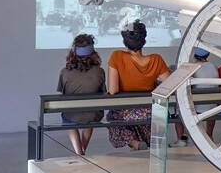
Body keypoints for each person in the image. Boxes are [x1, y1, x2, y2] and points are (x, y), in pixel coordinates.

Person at [105, 21, 169, 151]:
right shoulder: (156, 59)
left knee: (112, 117)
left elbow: (113, 90)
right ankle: (144, 144)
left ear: (124, 42)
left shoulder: (117, 56)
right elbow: (168, 83)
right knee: (145, 117)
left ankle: (134, 142)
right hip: (150, 111)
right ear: (144, 42)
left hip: (125, 112)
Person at [57, 34, 105, 155]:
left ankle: (79, 152)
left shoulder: (64, 72)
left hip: (72, 114)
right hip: (93, 115)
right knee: (91, 115)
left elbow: (62, 92)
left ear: (73, 51)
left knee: (68, 118)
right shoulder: (99, 71)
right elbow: (102, 91)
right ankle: (82, 150)